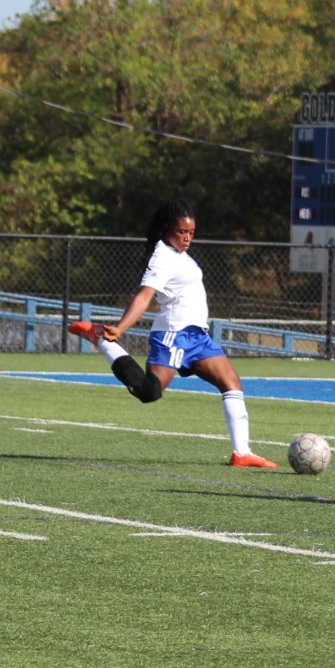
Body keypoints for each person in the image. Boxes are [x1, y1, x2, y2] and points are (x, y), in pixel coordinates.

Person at [68, 200, 278, 469]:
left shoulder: (179, 253)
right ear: (167, 229)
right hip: (174, 333)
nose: (188, 237)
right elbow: (144, 297)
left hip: (198, 336)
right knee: (149, 392)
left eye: (191, 232)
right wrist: (120, 328)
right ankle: (99, 338)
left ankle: (241, 453)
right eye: (182, 232)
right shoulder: (162, 256)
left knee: (231, 383)